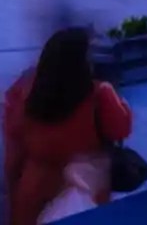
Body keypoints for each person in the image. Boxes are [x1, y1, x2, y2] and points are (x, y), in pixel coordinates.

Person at [3, 27, 133, 225]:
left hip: (34, 194)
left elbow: (13, 153)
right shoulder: (100, 95)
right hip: (84, 193)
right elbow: (121, 128)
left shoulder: (23, 92)